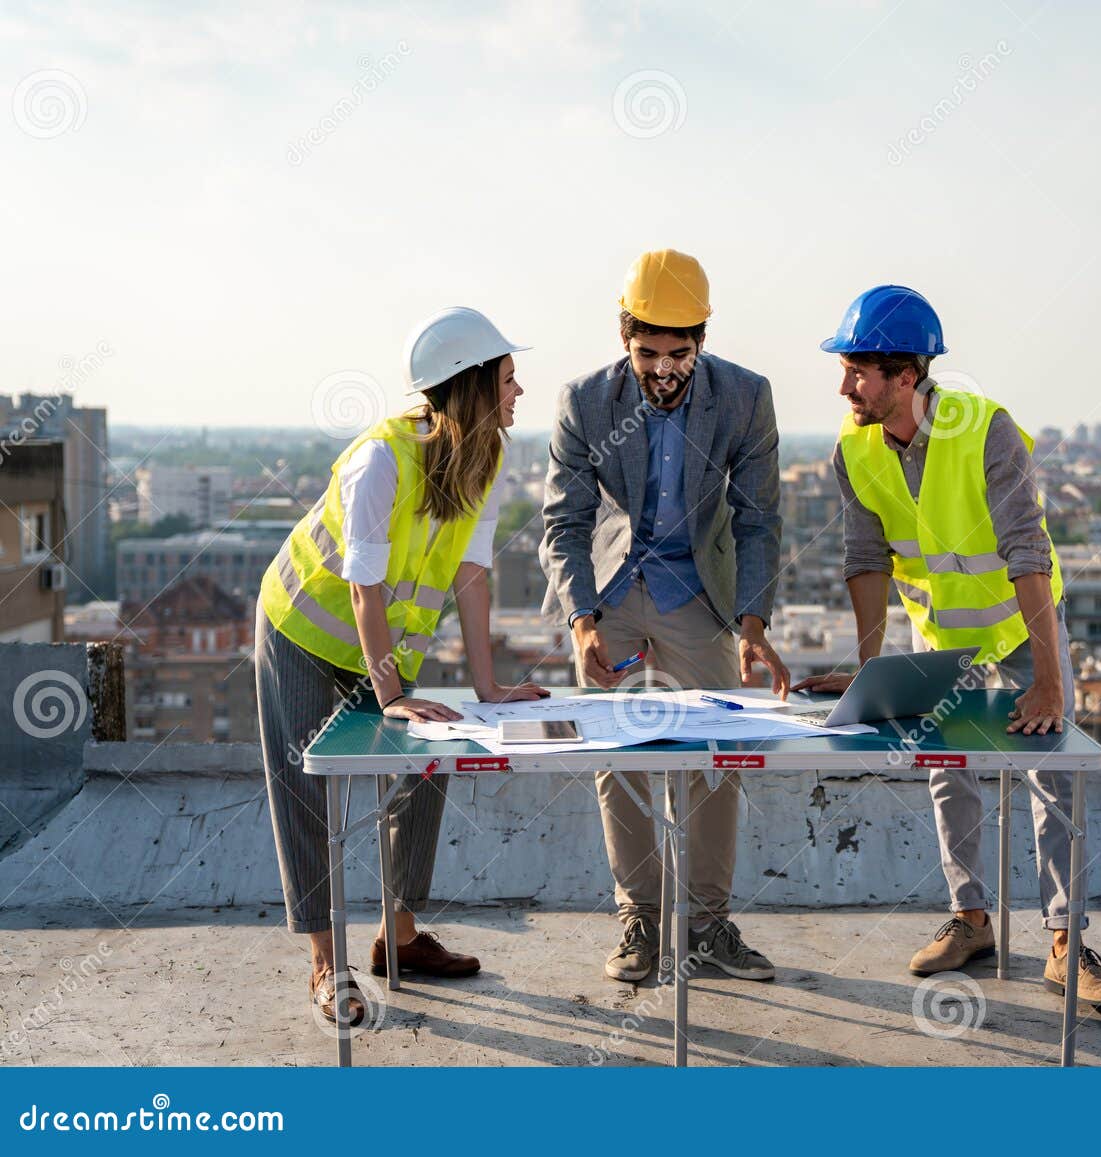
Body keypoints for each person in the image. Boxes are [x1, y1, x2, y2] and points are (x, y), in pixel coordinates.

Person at [794, 285, 1101, 1007]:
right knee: (947, 772)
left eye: (858, 369)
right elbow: (866, 559)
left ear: (906, 374)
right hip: (940, 636)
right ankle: (972, 919)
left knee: (1054, 771)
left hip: (1019, 626)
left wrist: (1047, 679)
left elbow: (1026, 552)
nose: (845, 384)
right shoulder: (853, 451)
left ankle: (1069, 941)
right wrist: (869, 673)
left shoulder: (986, 431)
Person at [256, 306, 550, 1025]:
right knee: (305, 785)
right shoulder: (381, 458)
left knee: (425, 765)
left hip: (381, 645)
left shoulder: (488, 458)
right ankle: (328, 963)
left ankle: (401, 938)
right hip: (302, 626)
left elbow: (472, 576)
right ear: (473, 385)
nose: (520, 392)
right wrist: (390, 695)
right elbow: (362, 585)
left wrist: (488, 687)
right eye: (509, 379)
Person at [540, 248, 789, 983]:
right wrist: (582, 623)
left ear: (702, 341)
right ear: (625, 340)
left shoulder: (745, 398)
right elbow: (563, 522)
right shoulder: (585, 400)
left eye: (679, 354)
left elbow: (758, 520)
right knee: (615, 753)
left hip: (698, 587)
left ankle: (708, 926)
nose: (664, 371)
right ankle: (641, 921)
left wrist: (753, 627)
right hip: (614, 587)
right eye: (647, 354)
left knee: (718, 756)